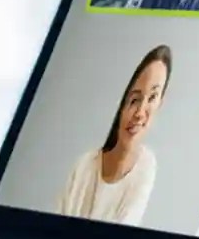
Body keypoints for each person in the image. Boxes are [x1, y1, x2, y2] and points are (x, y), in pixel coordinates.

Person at [56, 45, 172, 225]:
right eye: (134, 100)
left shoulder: (146, 166)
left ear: (160, 104)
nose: (140, 112)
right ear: (122, 104)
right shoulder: (84, 166)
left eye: (152, 98)